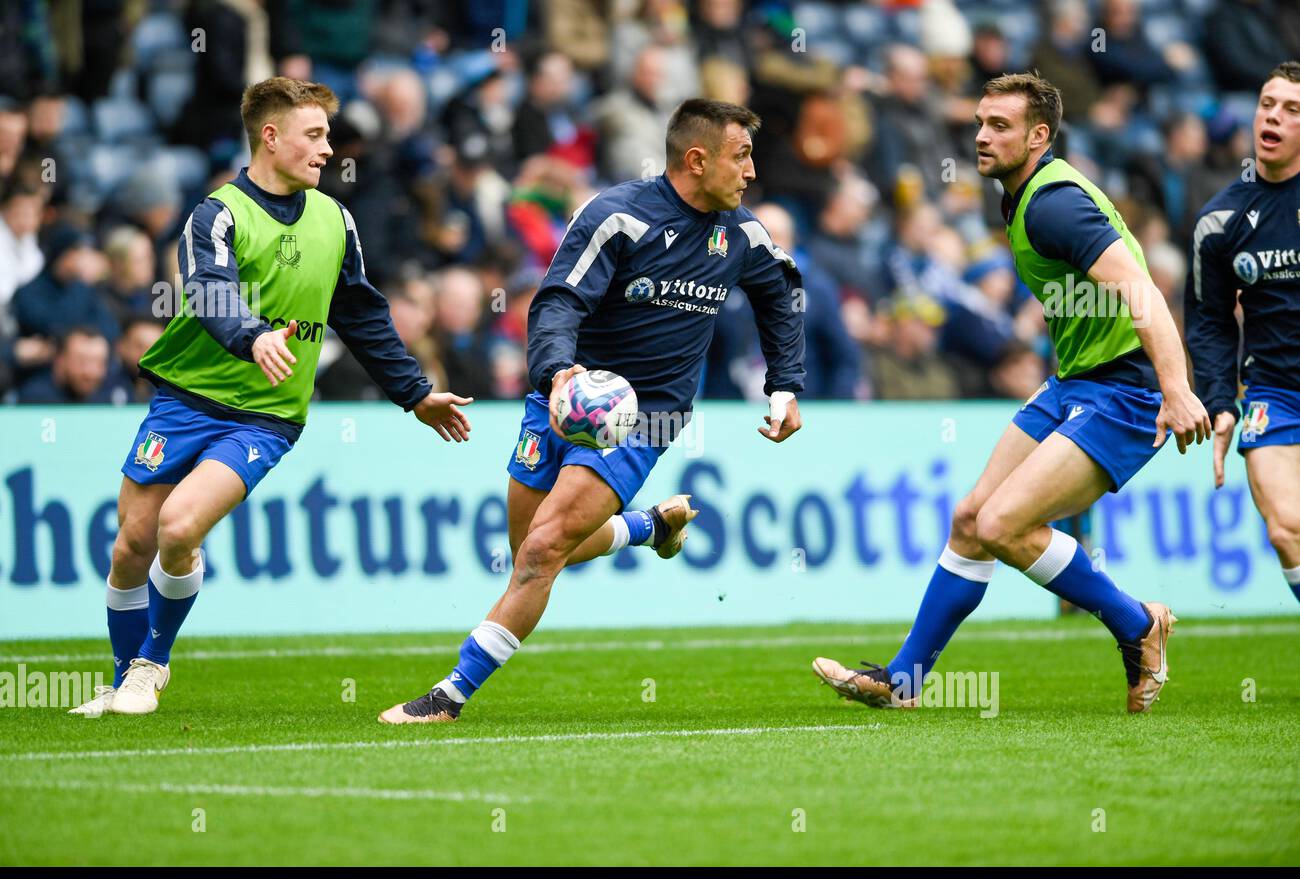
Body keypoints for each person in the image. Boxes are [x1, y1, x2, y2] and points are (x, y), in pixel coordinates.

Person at [379, 98, 806, 724]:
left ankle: (448, 697)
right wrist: (557, 374)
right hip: (564, 398)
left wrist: (785, 385)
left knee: (543, 550)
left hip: (648, 418)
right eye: (740, 156)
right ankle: (648, 527)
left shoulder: (740, 234)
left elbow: (783, 294)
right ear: (697, 159)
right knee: (530, 546)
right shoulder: (618, 216)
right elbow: (557, 301)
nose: (750, 171)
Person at [70, 77, 473, 718]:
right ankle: (122, 680)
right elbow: (206, 290)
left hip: (265, 415)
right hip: (185, 400)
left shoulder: (336, 220)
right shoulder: (217, 214)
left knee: (179, 527)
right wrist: (252, 336)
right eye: (314, 136)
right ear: (271, 137)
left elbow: (362, 316)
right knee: (130, 545)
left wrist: (416, 394)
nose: (326, 149)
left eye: (326, 136)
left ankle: (151, 666)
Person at [813, 73, 1210, 714]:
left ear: (1039, 136)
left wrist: (1176, 388)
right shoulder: (1019, 196)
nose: (980, 136)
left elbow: (1141, 288)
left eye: (999, 126)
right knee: (972, 519)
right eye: (979, 122)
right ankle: (903, 682)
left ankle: (1139, 624)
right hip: (1078, 381)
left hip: (1127, 388)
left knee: (1003, 523)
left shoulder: (1053, 203)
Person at [1186, 62, 1300, 607]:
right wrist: (1218, 400)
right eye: (1267, 104)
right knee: (1287, 529)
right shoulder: (1220, 219)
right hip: (1274, 394)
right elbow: (1208, 320)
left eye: (1292, 109)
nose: (1274, 116)